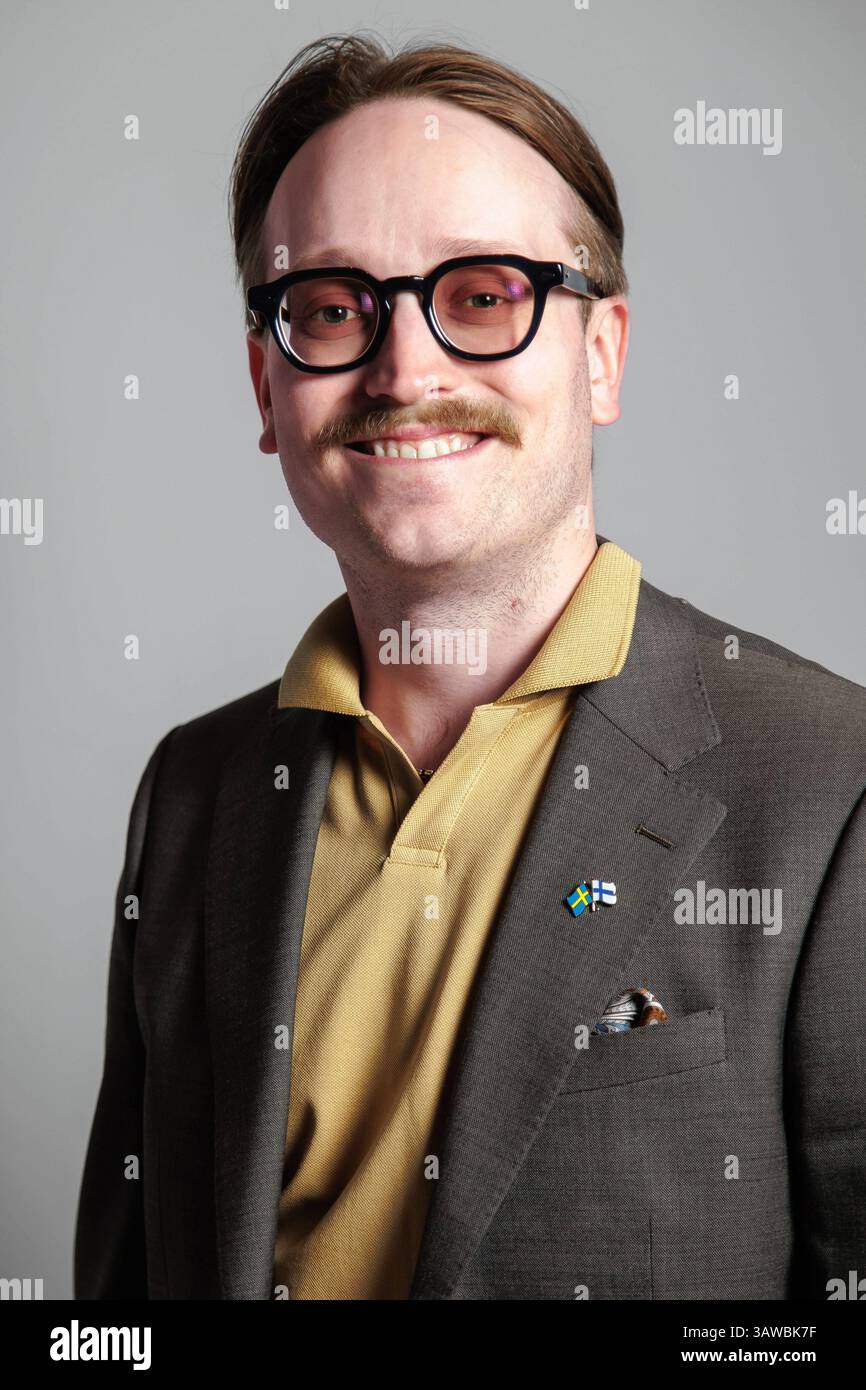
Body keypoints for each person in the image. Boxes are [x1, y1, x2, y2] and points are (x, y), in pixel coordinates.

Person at [74, 32, 866, 1301]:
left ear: (600, 352)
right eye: (332, 309)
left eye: (481, 295)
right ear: (267, 385)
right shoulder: (194, 794)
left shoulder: (832, 787)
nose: (406, 370)